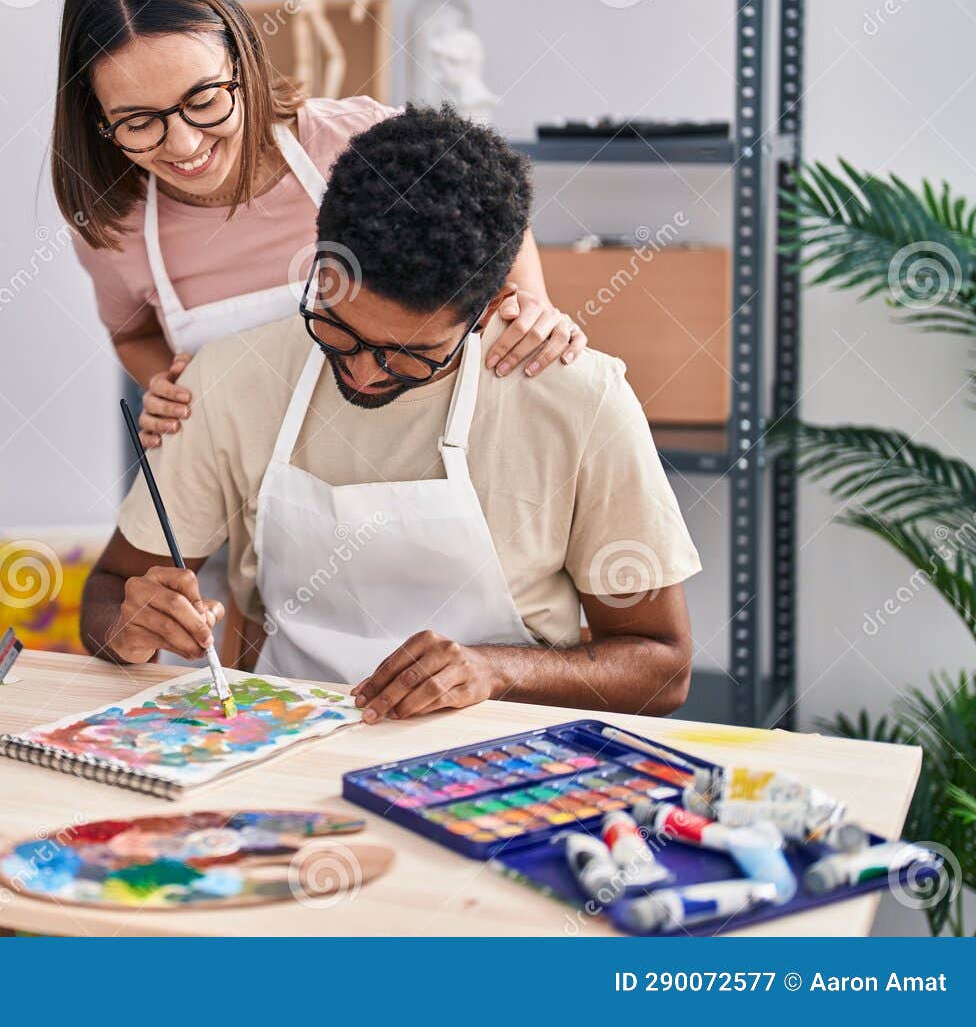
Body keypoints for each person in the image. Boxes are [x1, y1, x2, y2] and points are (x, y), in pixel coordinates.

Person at [80, 106, 701, 720]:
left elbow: (661, 666)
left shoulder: (578, 400)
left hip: (498, 760)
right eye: (338, 330)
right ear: (320, 264)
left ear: (488, 310)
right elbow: (107, 595)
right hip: (286, 748)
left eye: (412, 356)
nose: (364, 372)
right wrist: (130, 626)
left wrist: (498, 670)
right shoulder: (231, 377)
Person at [52, 0, 588, 453]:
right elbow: (133, 338)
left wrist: (532, 303)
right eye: (139, 121)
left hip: (430, 473)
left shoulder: (356, 142)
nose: (185, 143)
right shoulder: (112, 223)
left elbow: (491, 213)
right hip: (261, 511)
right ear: (95, 116)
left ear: (241, 59)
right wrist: (164, 389)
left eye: (205, 98)